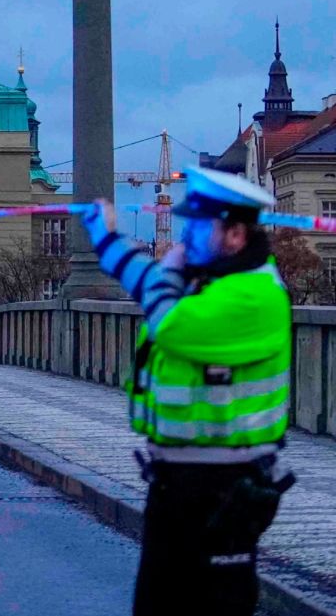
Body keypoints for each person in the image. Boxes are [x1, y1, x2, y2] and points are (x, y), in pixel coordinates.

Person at [79, 166, 294, 616]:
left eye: (197, 226)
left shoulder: (251, 295)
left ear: (235, 234)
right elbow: (154, 288)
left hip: (223, 488)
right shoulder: (212, 282)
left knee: (212, 607)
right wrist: (109, 242)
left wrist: (154, 261)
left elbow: (168, 321)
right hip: (178, 483)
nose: (185, 237)